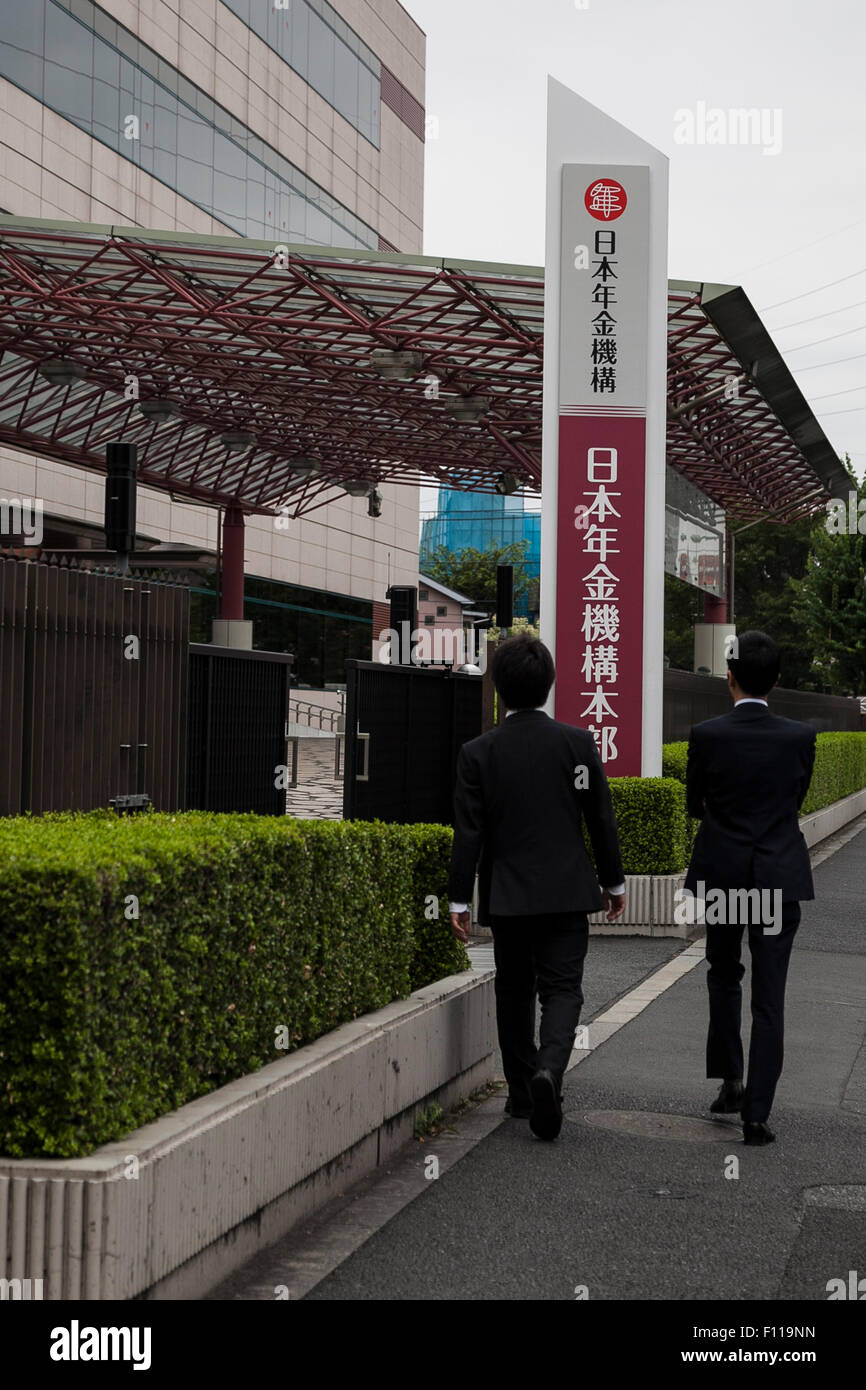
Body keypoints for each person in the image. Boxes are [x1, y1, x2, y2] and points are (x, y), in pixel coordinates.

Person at [448, 633, 625, 1141]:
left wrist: (459, 899)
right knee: (563, 989)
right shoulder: (576, 744)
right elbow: (601, 819)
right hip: (568, 891)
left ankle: (523, 1093)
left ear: (499, 690)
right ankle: (551, 1068)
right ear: (548, 686)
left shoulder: (478, 753)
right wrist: (613, 882)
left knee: (514, 990)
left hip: (509, 896)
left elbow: (469, 832)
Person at [685, 630, 816, 1146]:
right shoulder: (800, 737)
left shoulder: (708, 734)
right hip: (778, 877)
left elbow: (696, 803)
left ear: (729, 677)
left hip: (724, 873)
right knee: (770, 994)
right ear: (778, 680)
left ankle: (730, 1081)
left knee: (723, 974)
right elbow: (795, 801)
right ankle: (757, 1113)